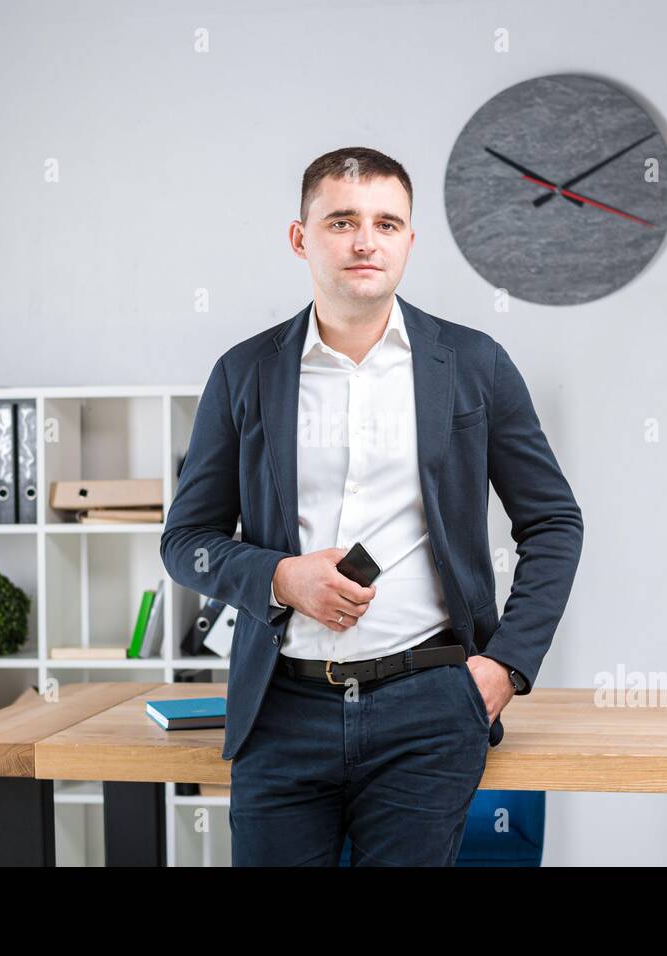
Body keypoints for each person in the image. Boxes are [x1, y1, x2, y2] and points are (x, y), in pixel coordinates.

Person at [160, 146, 584, 865]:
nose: (366, 241)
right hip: (281, 713)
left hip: (428, 709)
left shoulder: (474, 365)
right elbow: (186, 540)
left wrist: (505, 666)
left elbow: (553, 522)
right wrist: (280, 577)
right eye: (342, 220)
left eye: (387, 223)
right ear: (301, 238)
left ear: (409, 242)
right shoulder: (244, 372)